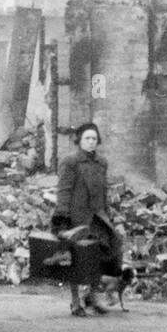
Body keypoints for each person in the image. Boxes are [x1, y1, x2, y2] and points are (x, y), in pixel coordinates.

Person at [52, 123, 123, 316]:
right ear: (79, 141)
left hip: (98, 218)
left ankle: (92, 296)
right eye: (87, 139)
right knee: (76, 260)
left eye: (94, 139)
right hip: (77, 218)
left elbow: (104, 191)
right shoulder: (70, 162)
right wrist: (62, 219)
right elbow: (64, 191)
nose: (91, 142)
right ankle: (75, 302)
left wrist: (107, 214)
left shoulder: (101, 163)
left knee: (98, 257)